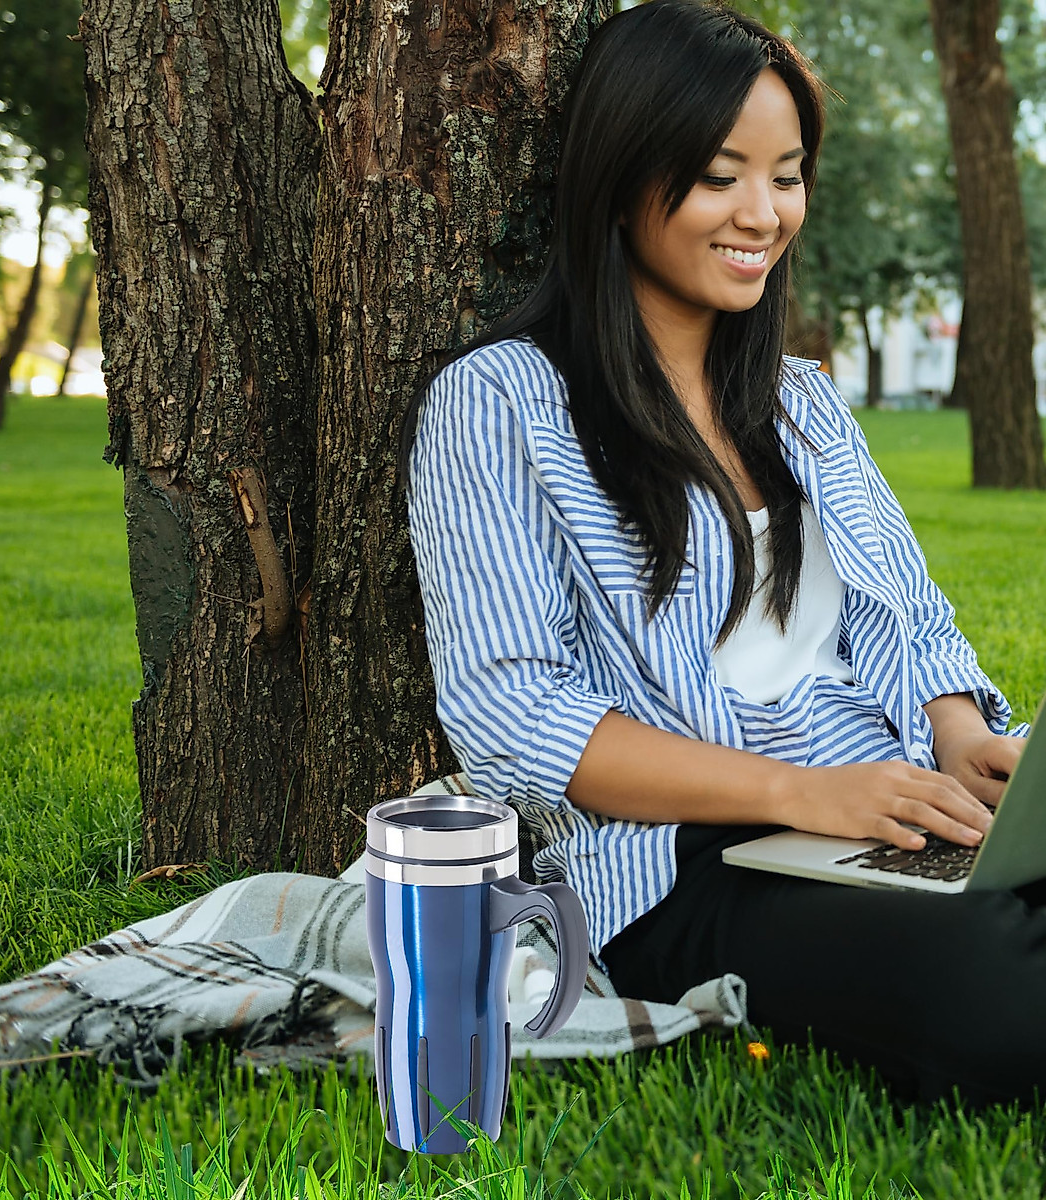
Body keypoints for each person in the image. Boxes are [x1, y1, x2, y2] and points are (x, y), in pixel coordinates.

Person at [396, 0, 1044, 1110]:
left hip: (885, 805)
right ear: (619, 176)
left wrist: (960, 735)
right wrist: (805, 794)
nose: (763, 212)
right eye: (718, 175)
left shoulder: (801, 403)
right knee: (1002, 998)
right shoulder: (501, 403)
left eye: (787, 176)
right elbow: (510, 714)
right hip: (689, 861)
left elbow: (910, 617)